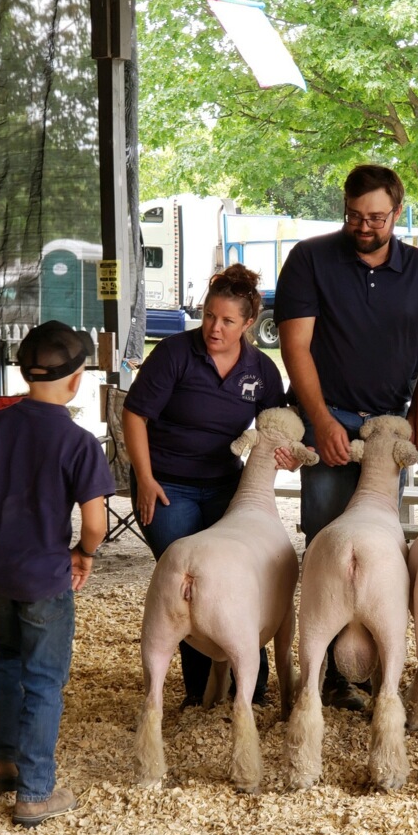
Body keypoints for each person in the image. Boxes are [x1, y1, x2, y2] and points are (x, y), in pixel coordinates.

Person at [274, 163, 418, 709]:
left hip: (388, 429)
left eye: (376, 217)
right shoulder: (310, 258)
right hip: (328, 415)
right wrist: (320, 421)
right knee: (327, 543)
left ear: (399, 213)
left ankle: (372, 666)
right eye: (354, 215)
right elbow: (295, 345)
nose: (364, 226)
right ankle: (323, 675)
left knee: (378, 551)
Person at [123, 263, 287, 710]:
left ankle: (250, 686)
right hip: (167, 486)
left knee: (236, 580)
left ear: (248, 323)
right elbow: (135, 415)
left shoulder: (261, 372)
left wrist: (287, 450)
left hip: (224, 488)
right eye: (209, 315)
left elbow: (277, 426)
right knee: (183, 581)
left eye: (227, 320)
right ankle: (198, 691)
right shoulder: (176, 352)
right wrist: (145, 478)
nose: (214, 328)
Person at [0, 321, 115, 826]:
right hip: (44, 575)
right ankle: (35, 791)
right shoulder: (78, 442)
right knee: (44, 679)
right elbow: (95, 523)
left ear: (22, 371)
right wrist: (85, 554)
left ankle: (6, 763)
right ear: (77, 380)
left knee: (4, 658)